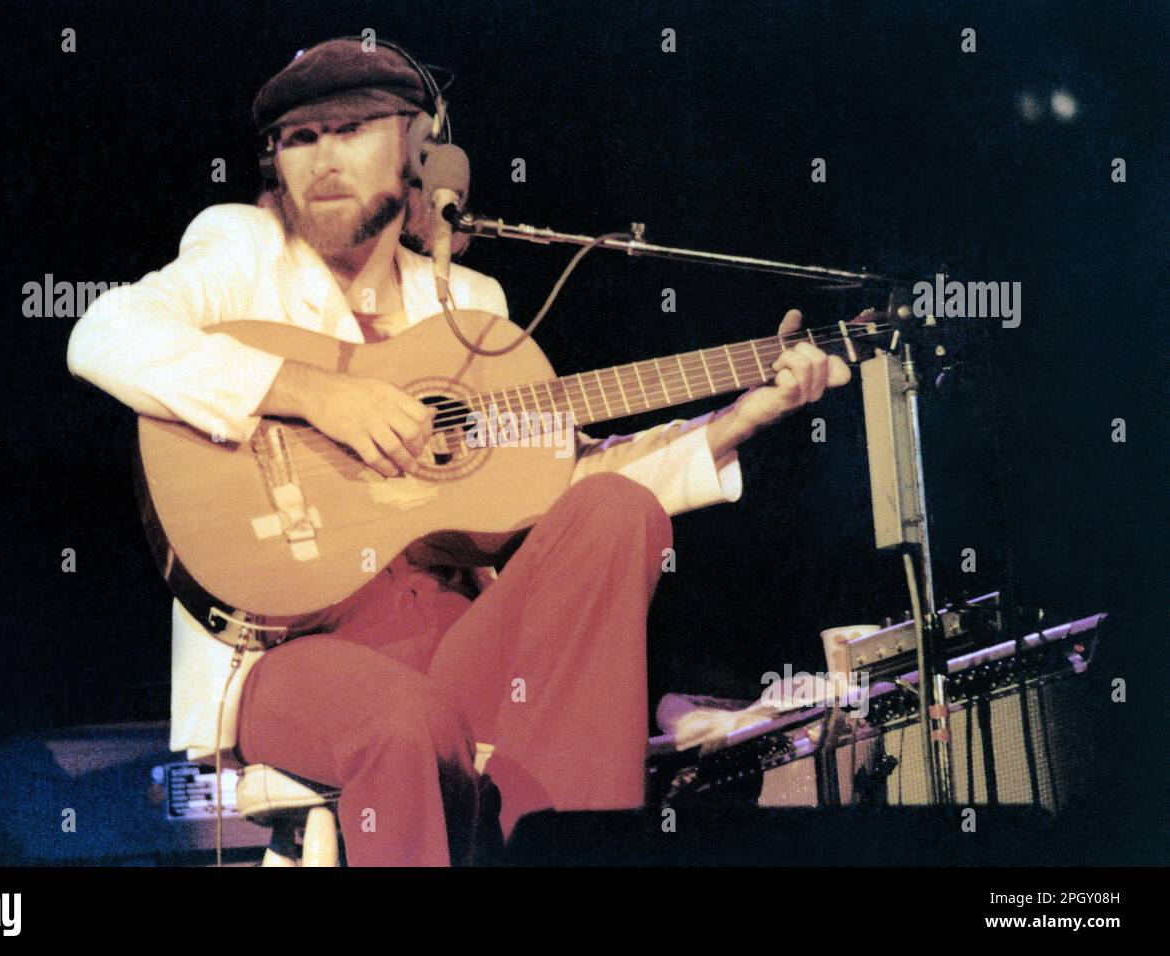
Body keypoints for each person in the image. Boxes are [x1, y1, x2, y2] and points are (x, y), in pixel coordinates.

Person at [66, 37, 851, 866]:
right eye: (300, 138)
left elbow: (550, 484)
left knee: (616, 509)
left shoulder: (473, 306)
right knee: (406, 724)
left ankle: (563, 847)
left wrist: (736, 419)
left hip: (457, 644)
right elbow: (106, 333)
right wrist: (317, 391)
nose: (322, 158)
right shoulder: (243, 248)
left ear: (418, 150)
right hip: (290, 654)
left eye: (351, 129)